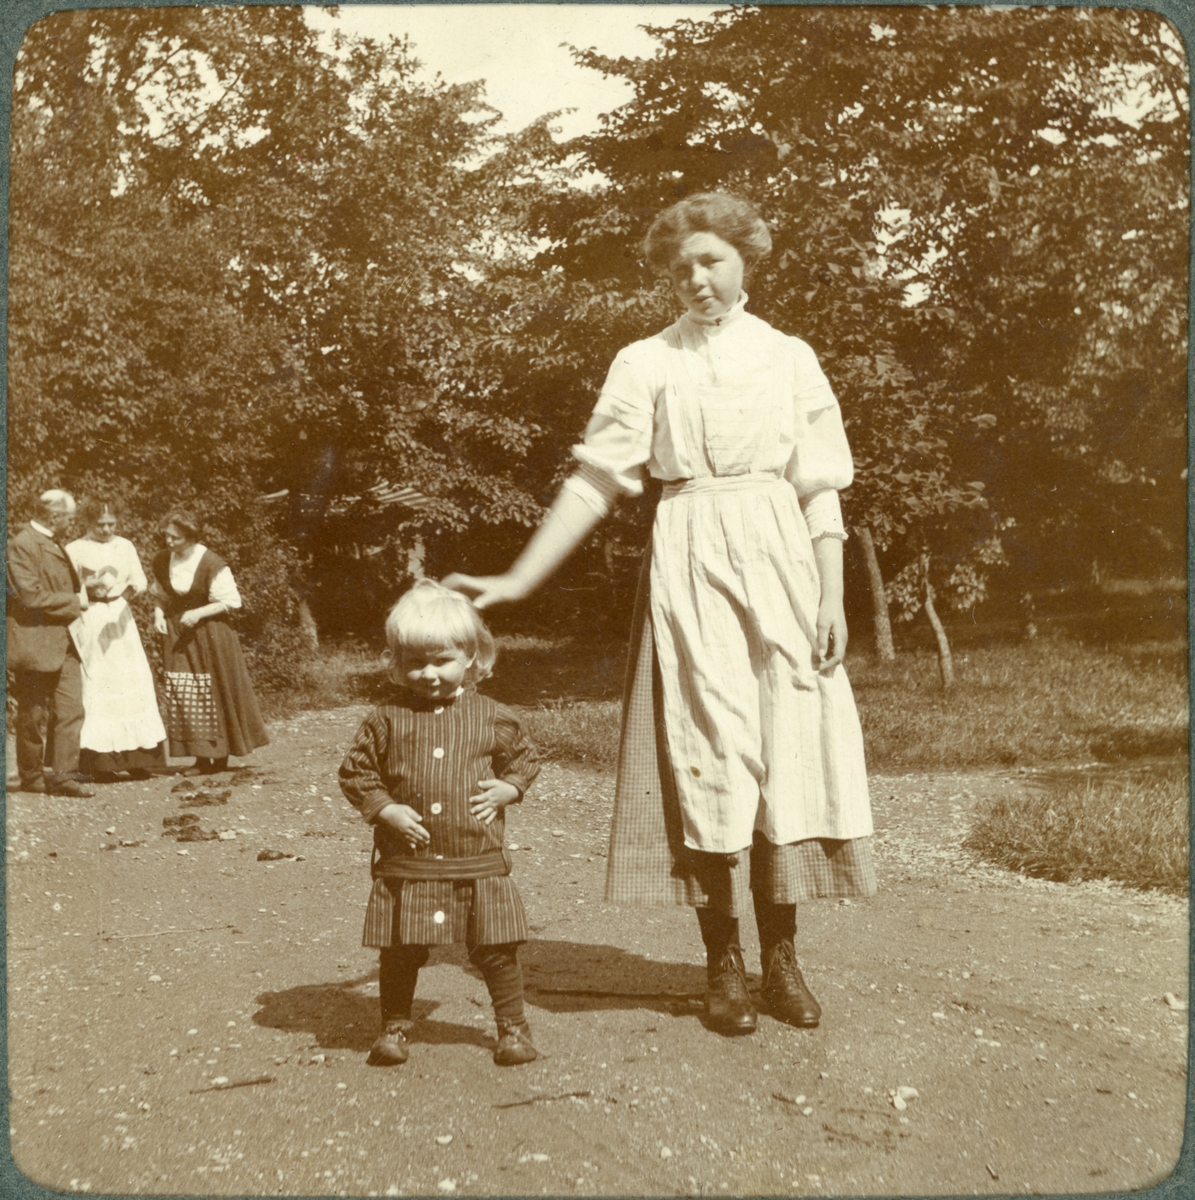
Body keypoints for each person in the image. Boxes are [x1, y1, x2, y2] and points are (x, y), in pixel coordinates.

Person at [446, 193, 875, 1037]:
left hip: (783, 564)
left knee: (786, 761)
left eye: (711, 260)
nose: (696, 278)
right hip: (689, 559)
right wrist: (520, 578)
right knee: (707, 758)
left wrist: (830, 596)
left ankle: (781, 962)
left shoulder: (790, 357)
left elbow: (819, 484)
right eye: (680, 266)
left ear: (745, 259)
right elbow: (598, 477)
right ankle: (723, 963)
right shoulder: (644, 361)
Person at [339, 579, 540, 1068]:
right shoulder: (384, 720)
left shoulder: (492, 716)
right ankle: (394, 1026)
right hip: (409, 860)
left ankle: (512, 1027)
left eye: (441, 660)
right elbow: (356, 772)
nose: (428, 674)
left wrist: (509, 788)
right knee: (401, 949)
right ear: (395, 661)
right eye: (413, 662)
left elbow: (526, 757)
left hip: (476, 857)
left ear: (471, 657)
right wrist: (385, 808)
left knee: (494, 947)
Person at [150, 511, 268, 775]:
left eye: (176, 538)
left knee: (215, 690)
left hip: (211, 634)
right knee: (186, 692)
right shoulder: (161, 560)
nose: (169, 542)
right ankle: (201, 758)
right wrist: (158, 614)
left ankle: (221, 756)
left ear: (191, 537)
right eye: (166, 536)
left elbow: (231, 602)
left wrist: (198, 613)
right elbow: (159, 595)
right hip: (179, 634)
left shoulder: (211, 562)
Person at [66, 500, 167, 781]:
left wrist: (130, 589)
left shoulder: (125, 545)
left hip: (121, 617)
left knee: (131, 680)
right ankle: (101, 762)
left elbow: (141, 579)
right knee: (98, 682)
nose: (107, 529)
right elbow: (67, 587)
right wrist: (89, 586)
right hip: (92, 618)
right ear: (88, 523)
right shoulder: (74, 549)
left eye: (111, 524)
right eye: (101, 525)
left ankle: (139, 759)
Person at [6, 489, 95, 797]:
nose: (72, 524)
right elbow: (30, 596)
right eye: (69, 517)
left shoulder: (51, 542)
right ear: (54, 516)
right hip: (36, 643)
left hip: (65, 639)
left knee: (71, 709)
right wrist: (76, 601)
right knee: (33, 714)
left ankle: (63, 777)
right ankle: (31, 777)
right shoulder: (22, 544)